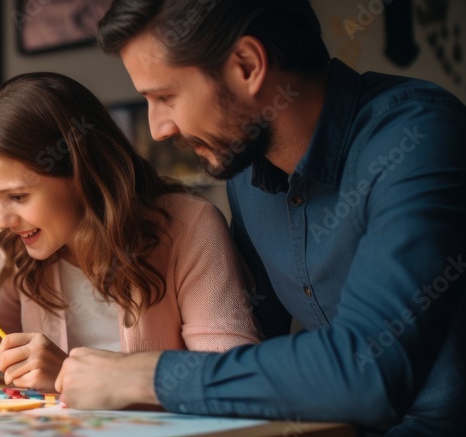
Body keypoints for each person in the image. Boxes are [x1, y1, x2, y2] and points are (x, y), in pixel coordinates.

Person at [53, 0, 466, 434]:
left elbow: (365, 368)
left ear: (247, 66)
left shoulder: (418, 136)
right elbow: (248, 347)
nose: (158, 128)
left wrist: (142, 375)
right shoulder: (248, 176)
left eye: (165, 96)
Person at [0, 72, 261, 392]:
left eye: (18, 197)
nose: (2, 221)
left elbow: (230, 373)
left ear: (81, 173)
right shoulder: (11, 245)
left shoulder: (191, 227)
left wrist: (71, 372)